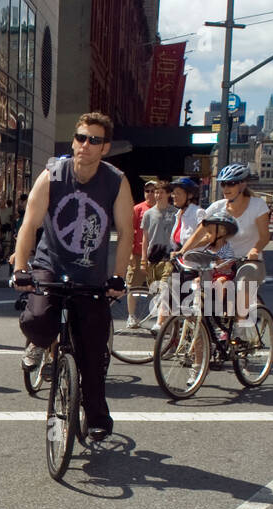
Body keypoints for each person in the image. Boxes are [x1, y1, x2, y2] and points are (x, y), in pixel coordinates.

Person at [16, 111, 134, 444]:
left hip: (90, 275)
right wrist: (20, 268)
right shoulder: (52, 175)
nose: (85, 145)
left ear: (105, 147)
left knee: (93, 354)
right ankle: (40, 344)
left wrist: (118, 277)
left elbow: (126, 232)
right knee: (38, 318)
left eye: (94, 140)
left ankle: (96, 417)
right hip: (50, 263)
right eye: (81, 138)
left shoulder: (115, 181)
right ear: (74, 141)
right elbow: (30, 223)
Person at [181, 164, 269, 298]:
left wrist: (255, 250)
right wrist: (182, 251)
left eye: (231, 184)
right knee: (199, 287)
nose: (226, 188)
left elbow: (264, 236)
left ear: (242, 185)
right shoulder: (217, 207)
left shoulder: (257, 205)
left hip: (248, 262)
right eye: (223, 184)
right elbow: (199, 234)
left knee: (241, 287)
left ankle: (241, 319)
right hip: (221, 263)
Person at [139, 179, 176, 328]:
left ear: (168, 194)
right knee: (158, 294)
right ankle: (170, 328)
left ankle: (160, 324)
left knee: (164, 290)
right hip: (153, 258)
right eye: (156, 192)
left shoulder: (175, 213)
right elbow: (145, 238)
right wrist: (143, 260)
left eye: (161, 192)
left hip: (168, 258)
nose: (158, 195)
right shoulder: (148, 214)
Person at [127, 179, 156, 320]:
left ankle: (158, 317)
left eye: (153, 191)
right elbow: (129, 230)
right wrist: (130, 252)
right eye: (147, 191)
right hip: (138, 253)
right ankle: (131, 315)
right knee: (133, 285)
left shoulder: (163, 209)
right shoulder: (138, 209)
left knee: (158, 287)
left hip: (157, 255)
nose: (150, 194)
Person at [169, 176, 202, 253]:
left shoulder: (198, 213)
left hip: (194, 263)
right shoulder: (178, 214)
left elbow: (207, 238)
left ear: (190, 195)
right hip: (180, 261)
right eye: (173, 193)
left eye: (178, 193)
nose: (174, 196)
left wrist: (184, 250)